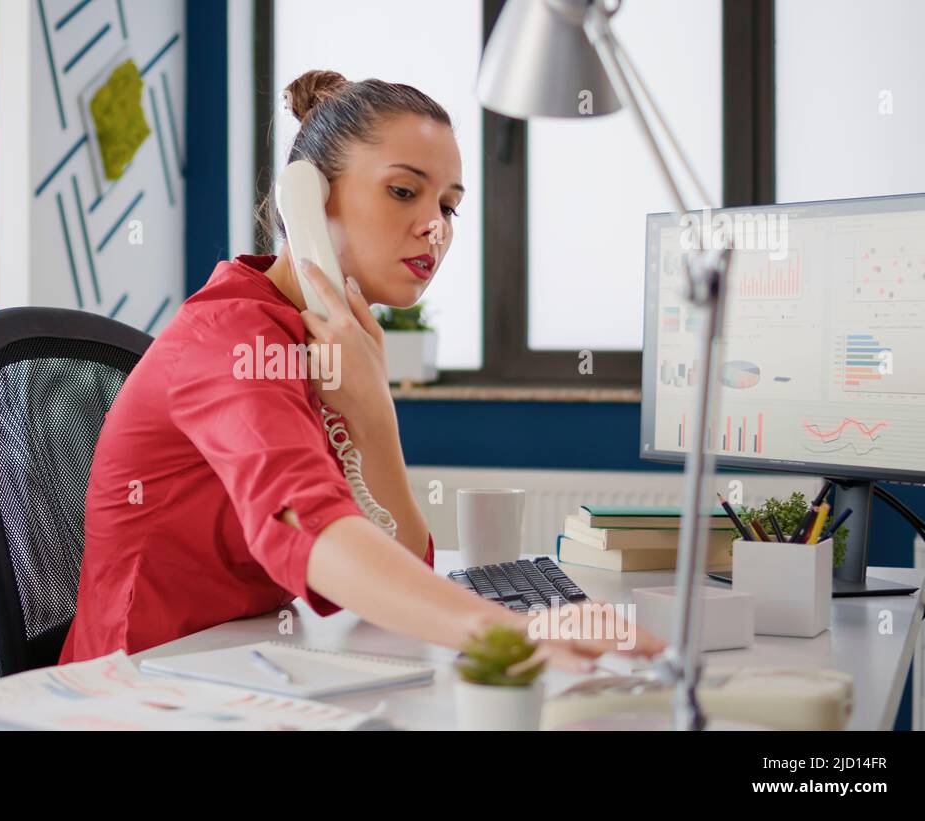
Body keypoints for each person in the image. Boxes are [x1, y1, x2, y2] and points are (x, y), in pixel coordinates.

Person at [59, 69, 665, 671]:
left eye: (449, 207)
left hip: (229, 667)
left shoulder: (328, 344)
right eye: (405, 191)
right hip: (133, 686)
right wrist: (506, 629)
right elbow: (308, 525)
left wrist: (374, 413)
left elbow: (403, 561)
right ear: (310, 198)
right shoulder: (233, 338)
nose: (436, 227)